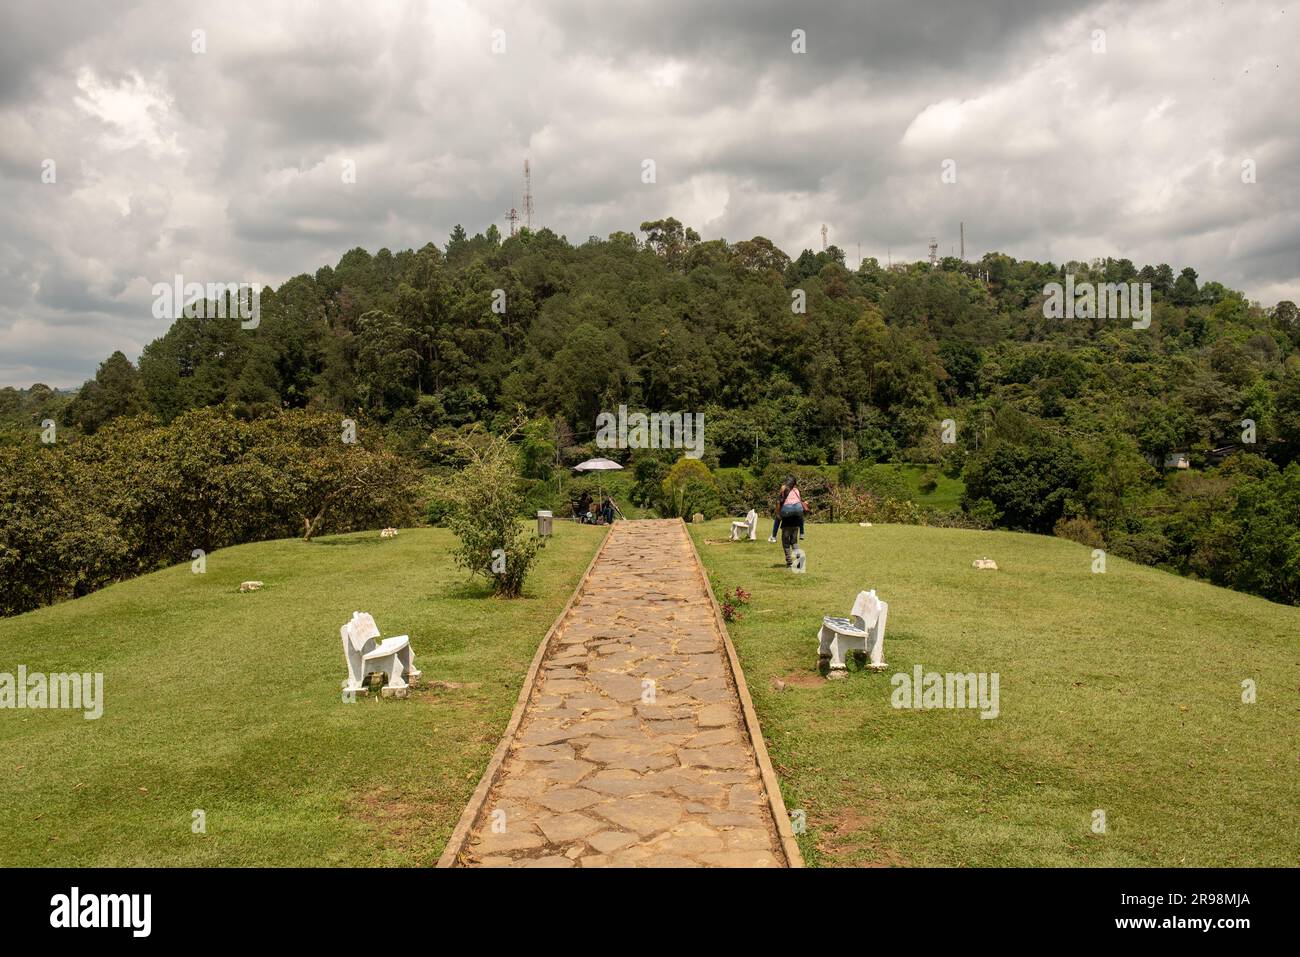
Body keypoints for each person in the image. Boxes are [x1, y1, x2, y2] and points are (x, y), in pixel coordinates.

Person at [777, 475, 809, 567]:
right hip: (796, 521)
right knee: (794, 542)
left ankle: (789, 562)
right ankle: (799, 560)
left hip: (786, 522)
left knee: (786, 543)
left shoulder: (784, 490)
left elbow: (779, 502)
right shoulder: (796, 491)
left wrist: (778, 515)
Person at [768, 476, 806, 543]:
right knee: (800, 515)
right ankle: (802, 533)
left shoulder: (784, 488)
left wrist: (778, 513)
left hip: (787, 510)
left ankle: (773, 537)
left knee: (777, 518)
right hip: (798, 509)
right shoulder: (796, 490)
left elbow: (779, 501)